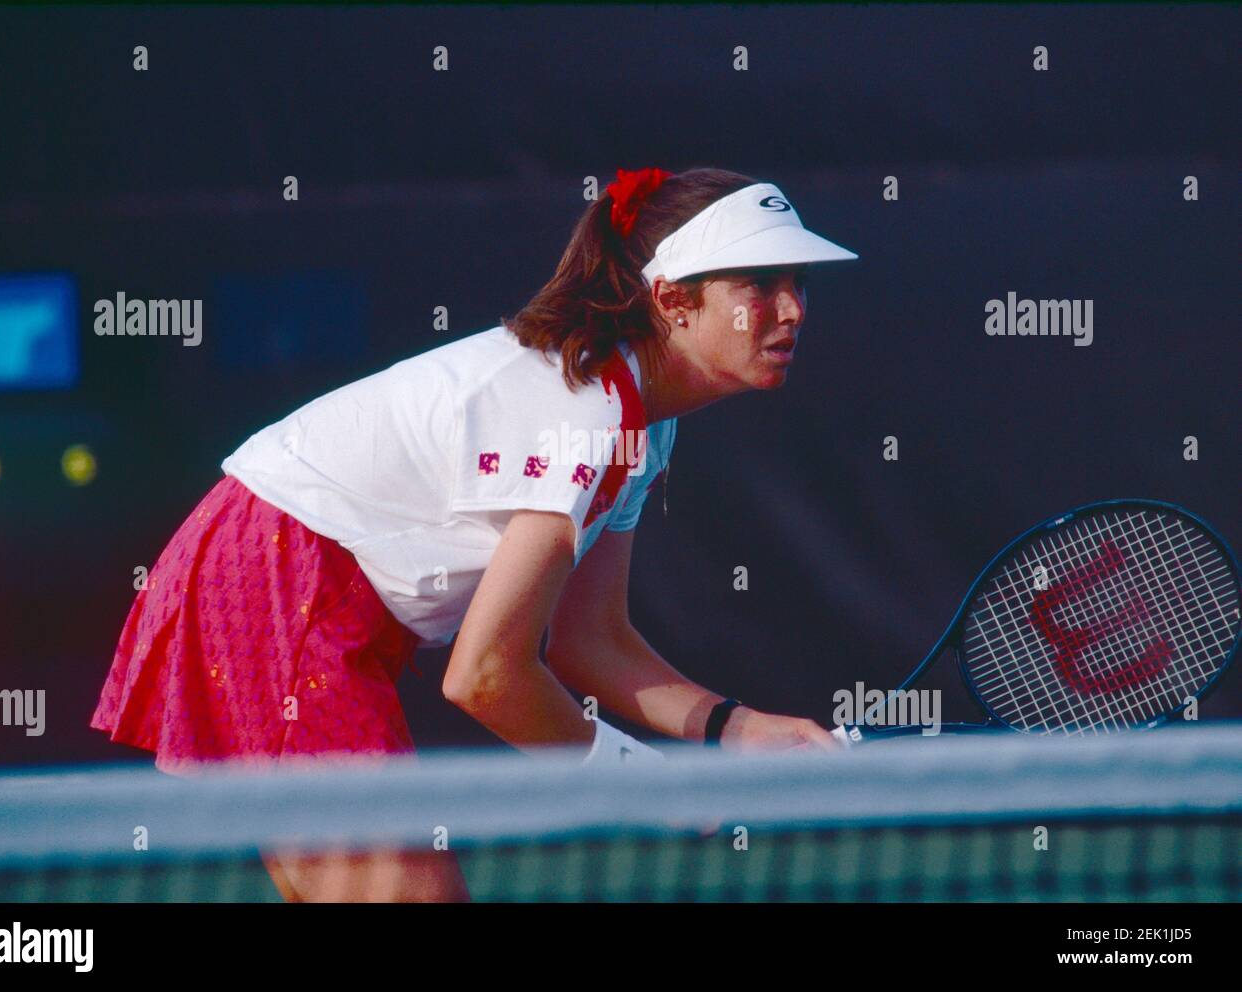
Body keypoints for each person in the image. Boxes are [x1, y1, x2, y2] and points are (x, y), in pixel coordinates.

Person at [91, 166, 858, 901]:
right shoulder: (585, 417)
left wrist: (734, 728)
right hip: (272, 583)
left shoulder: (641, 429)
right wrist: (648, 784)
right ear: (674, 301)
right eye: (758, 284)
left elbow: (591, 640)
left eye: (798, 284)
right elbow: (484, 675)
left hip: (286, 578)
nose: (792, 309)